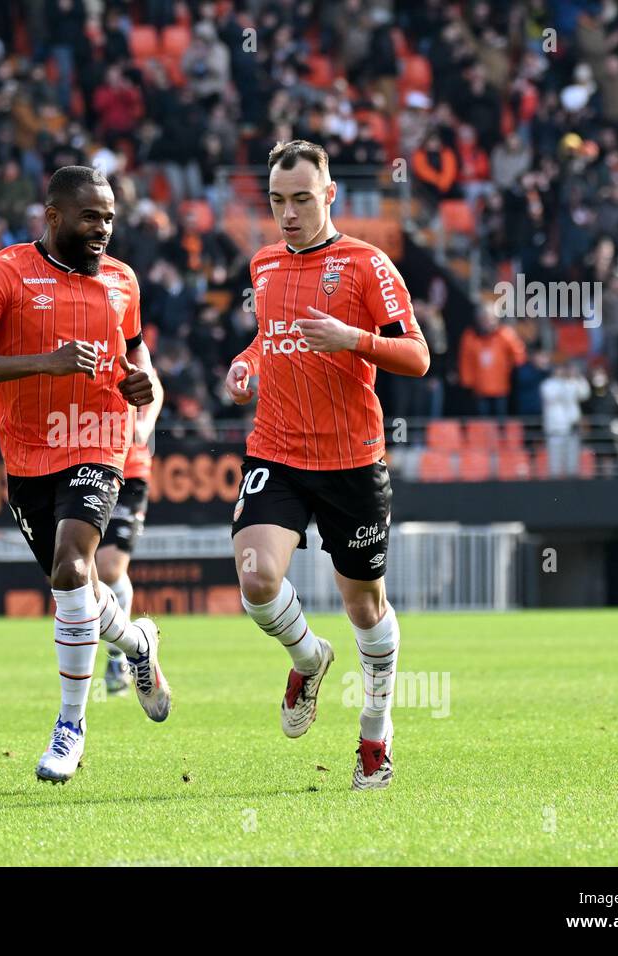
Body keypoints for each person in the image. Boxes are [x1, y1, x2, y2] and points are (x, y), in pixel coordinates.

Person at [0, 166, 172, 784]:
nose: (103, 229)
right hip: (27, 456)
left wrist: (143, 381)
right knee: (81, 595)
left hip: (97, 439)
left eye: (110, 218)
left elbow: (138, 359)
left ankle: (70, 726)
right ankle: (138, 645)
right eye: (91, 217)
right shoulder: (4, 273)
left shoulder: (123, 281)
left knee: (74, 566)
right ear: (54, 216)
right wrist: (47, 363)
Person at [224, 140, 429, 791]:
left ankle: (375, 734)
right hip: (277, 451)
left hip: (351, 461)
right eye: (278, 200)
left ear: (330, 194)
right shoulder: (262, 265)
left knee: (365, 609)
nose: (287, 213)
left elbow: (417, 355)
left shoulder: (367, 265)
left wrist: (352, 340)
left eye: (301, 200)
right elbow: (268, 336)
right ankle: (308, 658)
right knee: (256, 579)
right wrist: (247, 364)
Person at [96, 368, 164, 695]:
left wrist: (145, 424)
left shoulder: (123, 340)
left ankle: (118, 654)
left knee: (109, 567)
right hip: (85, 462)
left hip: (130, 471)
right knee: (80, 569)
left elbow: (155, 384)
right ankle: (123, 648)